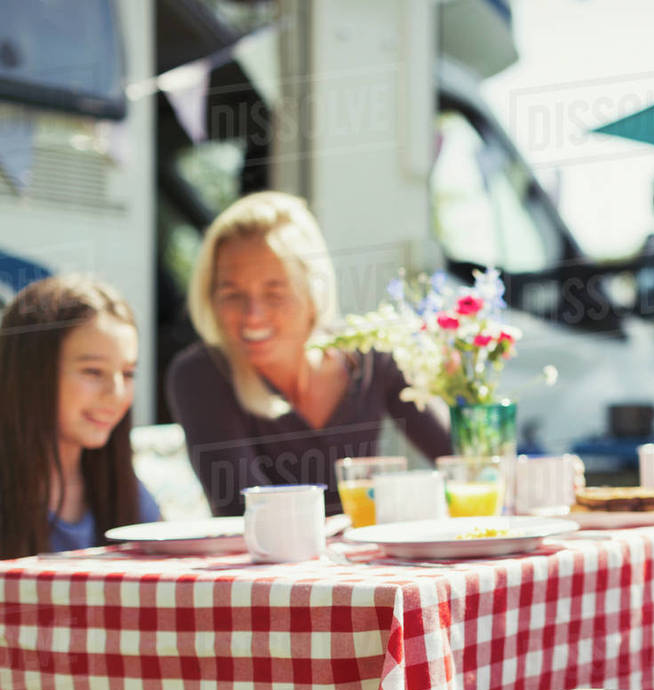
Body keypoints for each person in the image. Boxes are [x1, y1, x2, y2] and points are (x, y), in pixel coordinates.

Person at [167, 191, 451, 516]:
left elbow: (463, 464)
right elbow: (244, 511)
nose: (253, 316)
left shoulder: (373, 354)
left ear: (314, 292)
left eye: (275, 293)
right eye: (232, 295)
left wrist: (462, 388)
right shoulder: (202, 373)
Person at [0, 275, 161, 559]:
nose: (116, 393)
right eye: (93, 371)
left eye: (127, 373)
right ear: (29, 373)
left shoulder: (125, 488)